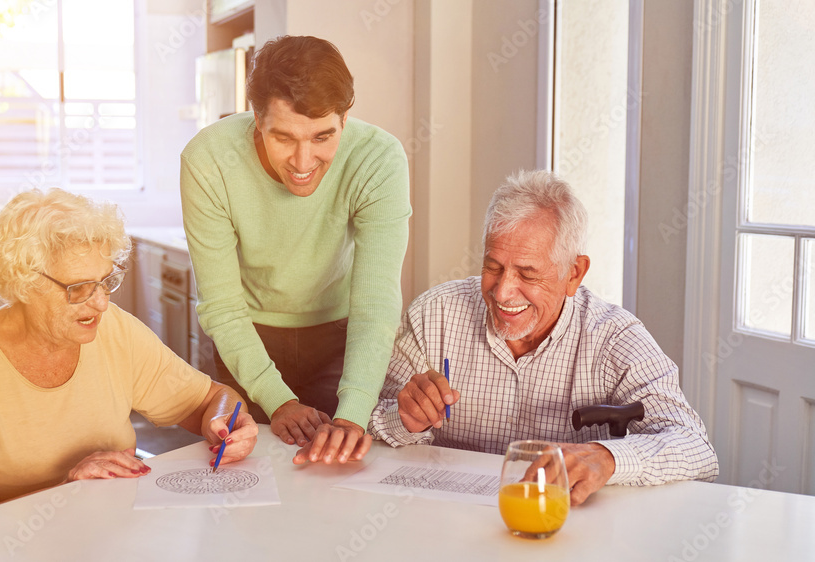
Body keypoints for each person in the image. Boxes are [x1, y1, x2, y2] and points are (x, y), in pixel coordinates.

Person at [0, 189, 258, 531]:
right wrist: (63, 490)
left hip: (111, 539)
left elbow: (211, 398)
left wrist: (226, 425)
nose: (100, 303)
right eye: (78, 288)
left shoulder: (115, 331)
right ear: (23, 283)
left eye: (105, 282)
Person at [369, 169, 718, 505]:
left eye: (527, 274)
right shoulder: (435, 314)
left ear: (574, 273)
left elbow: (695, 448)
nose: (503, 292)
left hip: (565, 526)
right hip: (448, 521)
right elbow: (370, 423)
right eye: (493, 267)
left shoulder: (614, 336)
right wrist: (404, 420)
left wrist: (606, 458)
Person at [180, 35, 411, 465]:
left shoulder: (378, 159)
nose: (303, 162)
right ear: (256, 118)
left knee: (333, 473)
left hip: (339, 339)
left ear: (345, 119)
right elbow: (223, 308)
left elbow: (376, 303)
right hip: (245, 338)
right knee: (245, 475)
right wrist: (277, 400)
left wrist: (355, 414)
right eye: (283, 137)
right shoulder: (208, 160)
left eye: (323, 137)